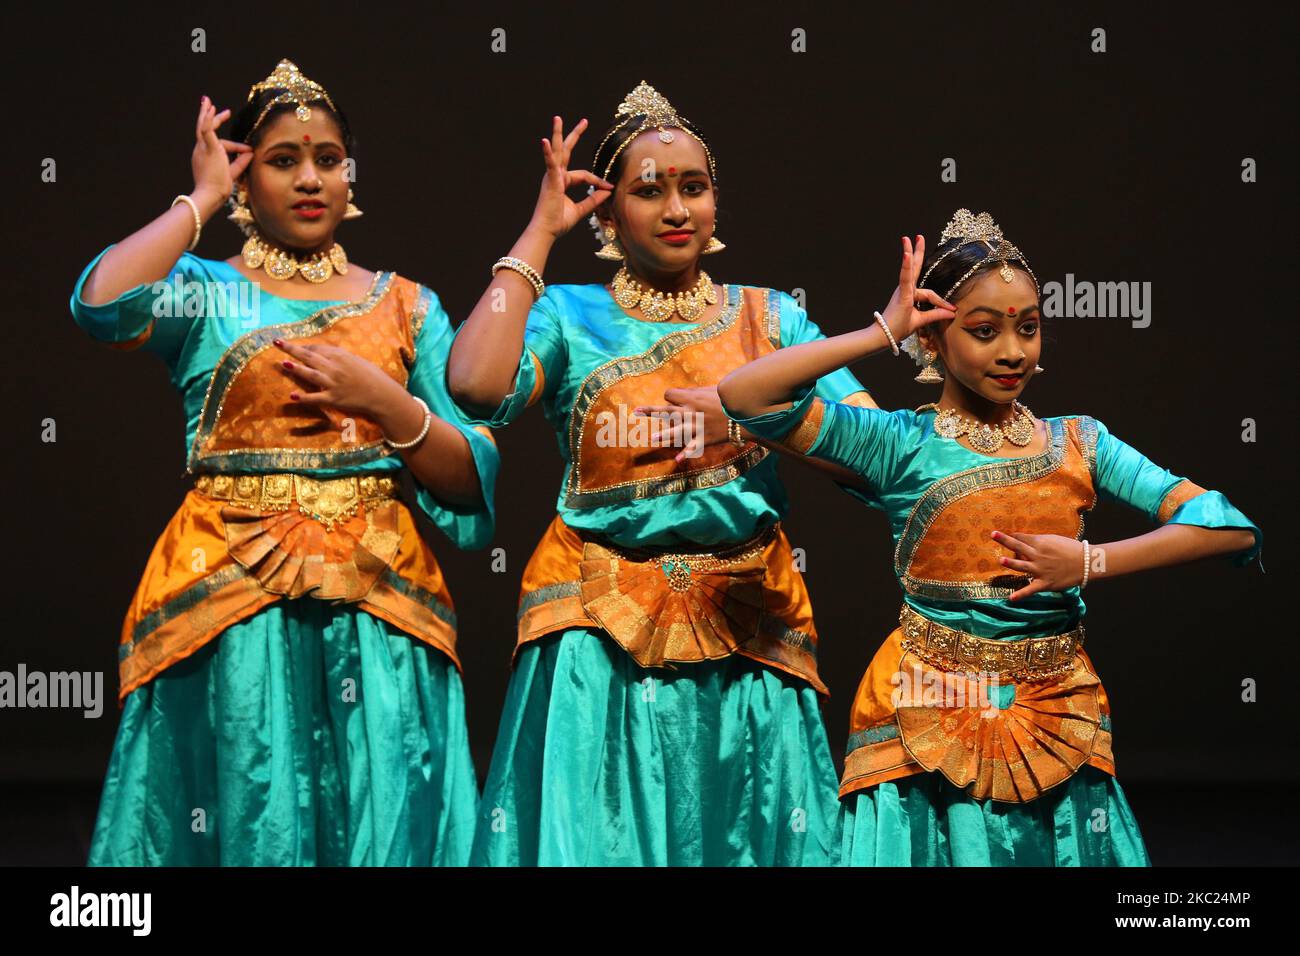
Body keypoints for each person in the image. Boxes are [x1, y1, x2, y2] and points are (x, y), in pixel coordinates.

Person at [718, 210, 1262, 866]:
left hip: (1057, 707)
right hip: (925, 708)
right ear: (935, 341)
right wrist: (880, 331)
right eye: (983, 331)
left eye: (1028, 328)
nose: (1012, 352)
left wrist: (1090, 560)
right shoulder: (896, 444)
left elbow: (1227, 526)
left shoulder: (1080, 442)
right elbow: (744, 395)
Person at [69, 60, 497, 866]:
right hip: (230, 597)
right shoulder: (203, 291)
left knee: (384, 812)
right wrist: (196, 205)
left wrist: (389, 403)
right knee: (251, 805)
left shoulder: (407, 304)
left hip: (380, 601)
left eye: (329, 159)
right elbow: (100, 304)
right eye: (282, 159)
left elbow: (470, 473)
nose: (311, 178)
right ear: (245, 176)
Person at [447, 82, 877, 865]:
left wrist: (750, 415)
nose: (677, 209)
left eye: (694, 187)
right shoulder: (569, 316)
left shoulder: (769, 320)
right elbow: (476, 385)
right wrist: (540, 234)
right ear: (607, 217)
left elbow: (873, 456)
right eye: (649, 191)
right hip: (593, 634)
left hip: (747, 624)